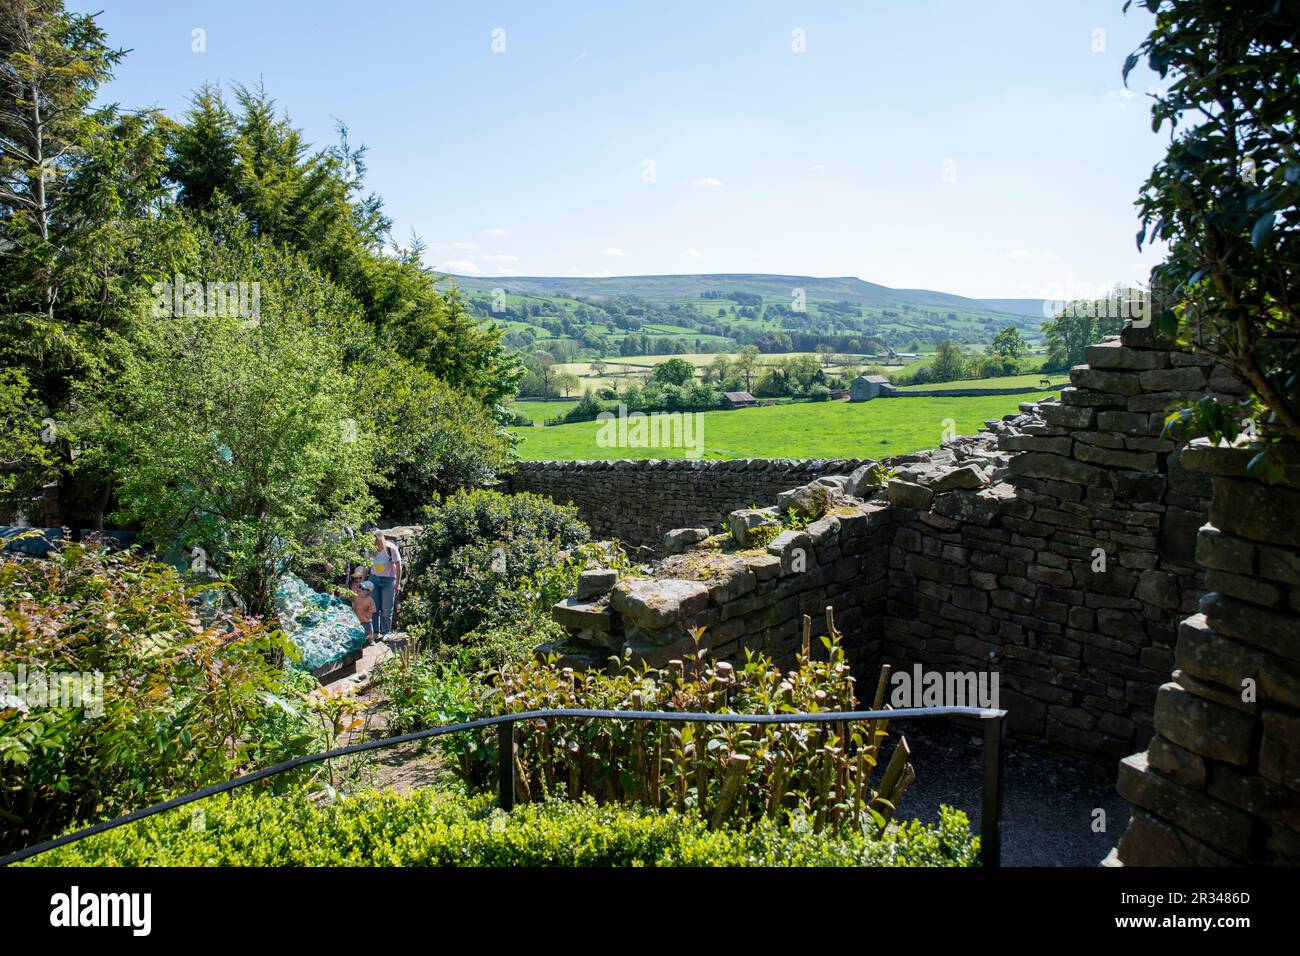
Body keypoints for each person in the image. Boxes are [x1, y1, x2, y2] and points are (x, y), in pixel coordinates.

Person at [367, 529, 403, 638]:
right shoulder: (370, 549)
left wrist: (398, 583)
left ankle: (386, 632)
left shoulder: (390, 549)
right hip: (374, 579)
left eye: (375, 542)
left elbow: (398, 567)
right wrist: (364, 580)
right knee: (374, 607)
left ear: (379, 540)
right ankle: (376, 632)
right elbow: (367, 565)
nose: (374, 545)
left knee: (386, 608)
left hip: (388, 580)